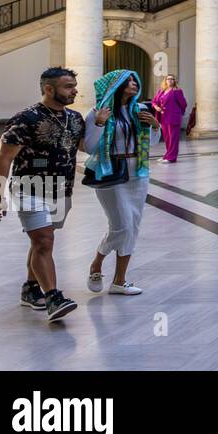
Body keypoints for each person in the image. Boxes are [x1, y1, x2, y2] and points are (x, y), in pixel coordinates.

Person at [0, 67, 86, 323]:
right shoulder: (26, 118)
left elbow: (85, 147)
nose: (74, 90)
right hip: (29, 188)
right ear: (48, 89)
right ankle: (53, 297)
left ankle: (31, 289)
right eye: (68, 86)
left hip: (61, 190)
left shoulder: (75, 118)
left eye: (74, 85)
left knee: (42, 240)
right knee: (44, 241)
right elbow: (4, 157)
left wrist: (100, 123)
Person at [84, 70, 159, 297]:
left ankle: (120, 281)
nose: (134, 84)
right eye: (128, 81)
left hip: (139, 172)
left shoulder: (140, 110)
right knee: (122, 226)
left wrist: (155, 126)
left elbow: (151, 144)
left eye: (135, 80)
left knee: (132, 227)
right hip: (110, 172)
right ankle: (97, 263)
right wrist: (98, 124)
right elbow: (89, 147)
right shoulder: (98, 112)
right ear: (114, 86)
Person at [152, 74, 187, 163]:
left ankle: (172, 157)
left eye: (172, 79)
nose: (170, 80)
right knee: (167, 138)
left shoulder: (177, 91)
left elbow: (183, 104)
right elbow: (154, 101)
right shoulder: (161, 91)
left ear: (174, 81)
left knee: (173, 138)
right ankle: (167, 156)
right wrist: (156, 107)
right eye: (168, 79)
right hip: (163, 118)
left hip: (173, 117)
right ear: (165, 80)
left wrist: (178, 113)